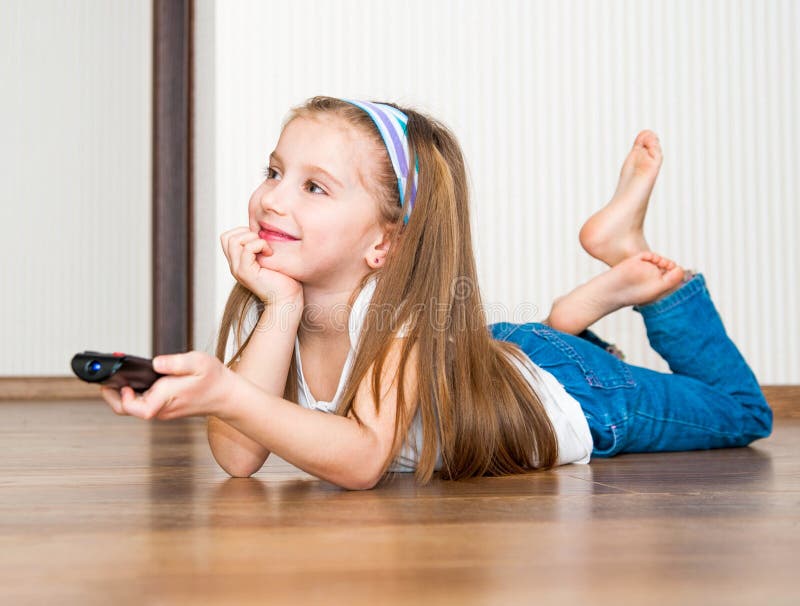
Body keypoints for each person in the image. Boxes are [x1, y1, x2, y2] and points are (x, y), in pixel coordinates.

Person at [100, 97, 772, 491]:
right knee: (524, 350)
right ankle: (568, 320)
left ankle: (630, 269)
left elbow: (364, 458)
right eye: (274, 170)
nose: (271, 197)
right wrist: (276, 309)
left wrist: (225, 391)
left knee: (740, 411)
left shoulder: (398, 319)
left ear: (384, 243)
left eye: (314, 186)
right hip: (493, 362)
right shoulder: (284, 301)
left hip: (579, 396)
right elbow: (240, 458)